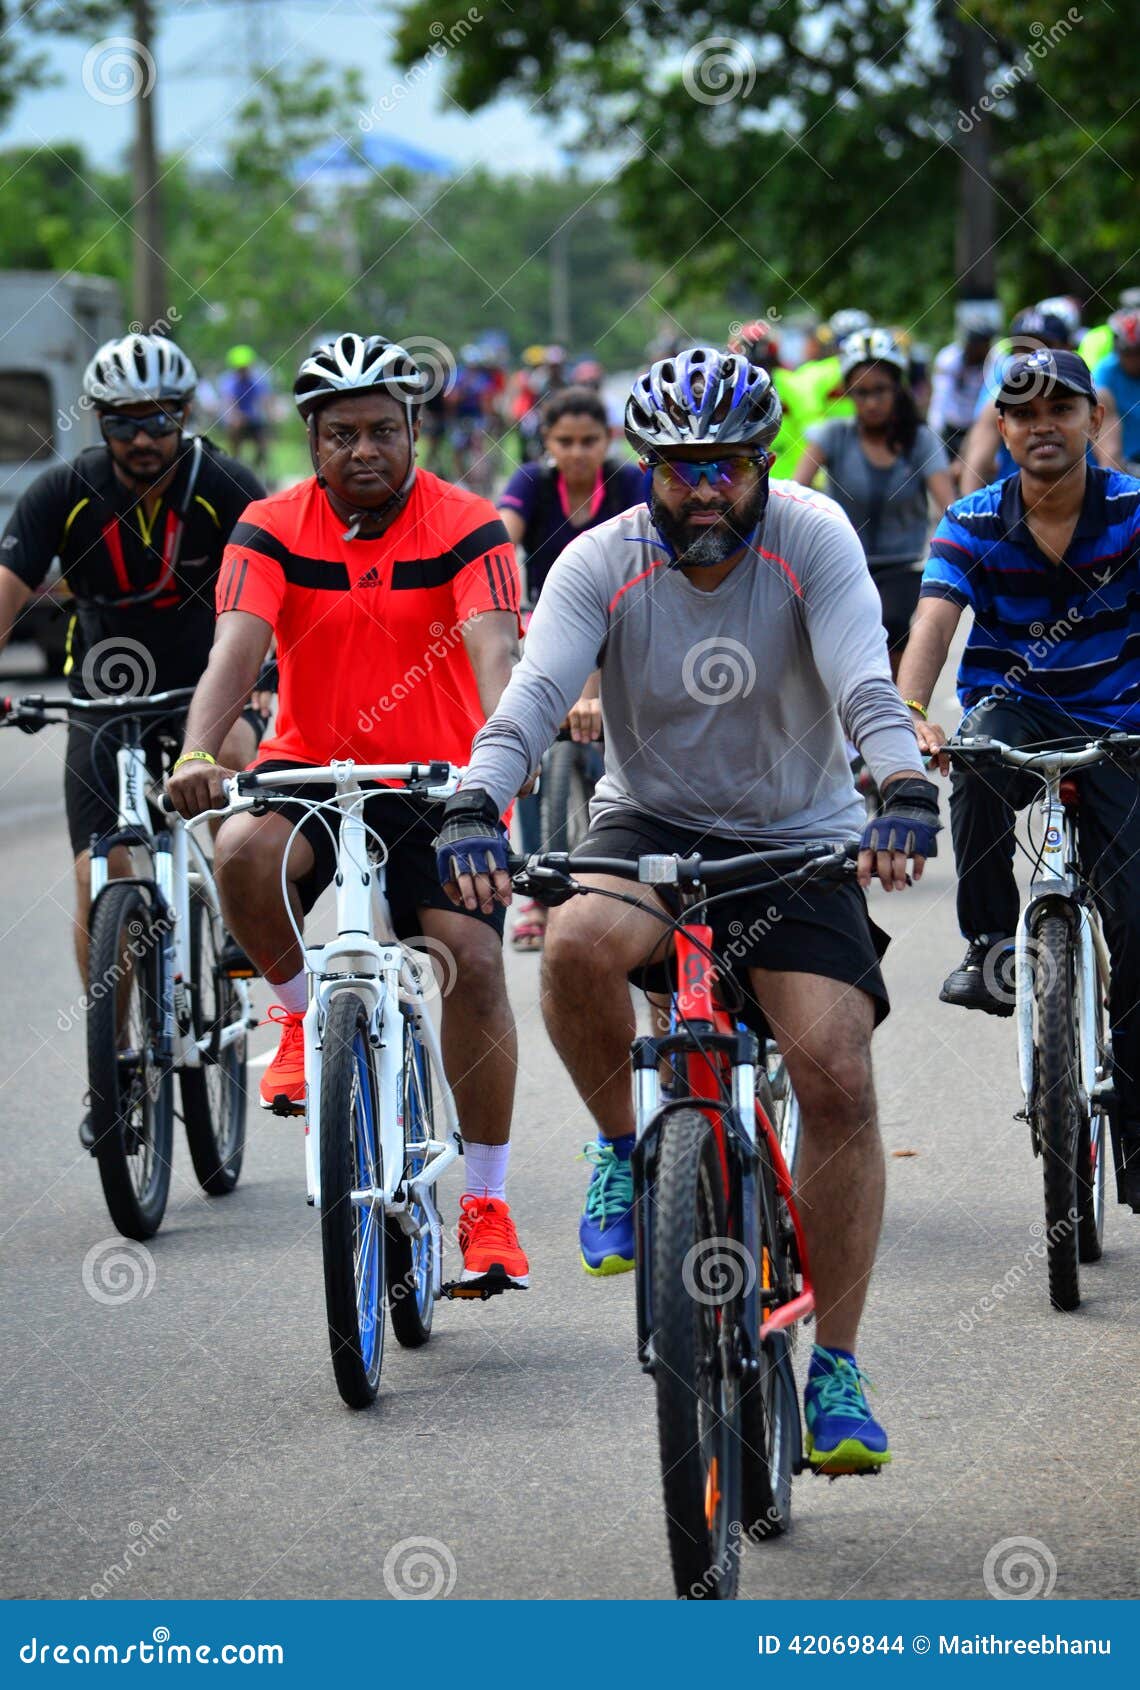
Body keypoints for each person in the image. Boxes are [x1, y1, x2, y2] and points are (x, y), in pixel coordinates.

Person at [435, 345, 941, 1472]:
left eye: (725, 466)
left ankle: (840, 1367)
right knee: (570, 944)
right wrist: (478, 796)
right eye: (679, 468)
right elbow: (527, 695)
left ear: (762, 462)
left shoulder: (811, 536)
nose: (703, 488)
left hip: (798, 837)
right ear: (646, 466)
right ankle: (626, 1149)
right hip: (649, 822)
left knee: (839, 1079)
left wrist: (901, 779)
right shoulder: (594, 559)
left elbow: (865, 677)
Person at [165, 333, 531, 1293]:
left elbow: (498, 655)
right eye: (339, 435)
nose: (361, 451)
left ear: (414, 430)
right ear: (310, 440)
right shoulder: (269, 525)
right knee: (242, 852)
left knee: (477, 961)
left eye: (380, 430)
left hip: (440, 783)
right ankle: (293, 1021)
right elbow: (234, 656)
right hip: (310, 771)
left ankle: (486, 1205)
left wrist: (495, 770)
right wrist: (202, 752)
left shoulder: (471, 525)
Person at [0, 331, 267, 1146]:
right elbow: (8, 589)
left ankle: (239, 922)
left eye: (157, 419)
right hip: (103, 695)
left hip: (209, 686)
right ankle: (113, 1063)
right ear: (99, 423)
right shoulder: (63, 491)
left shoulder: (226, 485)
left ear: (184, 416)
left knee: (238, 769)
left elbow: (278, 589)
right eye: (122, 422)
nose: (142, 438)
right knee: (99, 878)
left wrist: (265, 684)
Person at [895, 348, 1140, 1213]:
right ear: (1000, 428)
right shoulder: (969, 520)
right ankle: (992, 943)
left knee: (1138, 923)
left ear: (1092, 420)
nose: (1043, 426)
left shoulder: (1135, 513)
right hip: (1016, 706)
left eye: (1061, 410)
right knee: (977, 761)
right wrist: (911, 711)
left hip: (1123, 720)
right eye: (1024, 412)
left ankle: (1137, 1125)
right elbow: (933, 621)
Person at [497, 385, 644, 949]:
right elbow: (502, 535)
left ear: (608, 440)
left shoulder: (631, 482)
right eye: (565, 442)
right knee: (528, 751)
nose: (578, 452)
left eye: (590, 440)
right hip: (549, 620)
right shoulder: (530, 482)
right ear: (548, 444)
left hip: (625, 617)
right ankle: (532, 894)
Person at [794, 328, 955, 673]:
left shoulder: (920, 440)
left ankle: (896, 710)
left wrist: (953, 561)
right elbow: (794, 494)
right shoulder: (833, 435)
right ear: (848, 393)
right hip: (844, 561)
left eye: (880, 391)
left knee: (890, 624)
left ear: (897, 389)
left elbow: (950, 509)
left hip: (904, 565)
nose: (871, 402)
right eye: (861, 392)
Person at [959, 306, 1123, 491]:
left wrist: (1108, 507)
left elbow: (1111, 458)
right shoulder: (998, 403)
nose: (1033, 356)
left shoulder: (1095, 397)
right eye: (1023, 413)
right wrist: (972, 517)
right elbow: (975, 466)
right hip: (1016, 509)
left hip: (1086, 499)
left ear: (1068, 348)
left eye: (1043, 344)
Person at [927, 304, 998, 470]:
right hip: (951, 428)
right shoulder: (948, 359)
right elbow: (940, 400)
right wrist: (934, 437)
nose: (985, 347)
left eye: (987, 342)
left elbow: (990, 398)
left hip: (979, 425)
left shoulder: (995, 361)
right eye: (980, 342)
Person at [1092, 309, 1140, 471]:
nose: (1134, 360)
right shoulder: (1105, 370)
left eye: (1139, 352)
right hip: (1122, 461)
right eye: (1127, 353)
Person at [218, 346, 272, 480]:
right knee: (234, 427)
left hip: (254, 419)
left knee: (264, 440)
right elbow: (230, 403)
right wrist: (237, 417)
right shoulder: (229, 382)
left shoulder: (258, 381)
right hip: (238, 420)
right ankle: (235, 464)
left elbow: (265, 401)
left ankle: (259, 470)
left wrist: (270, 415)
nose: (243, 371)